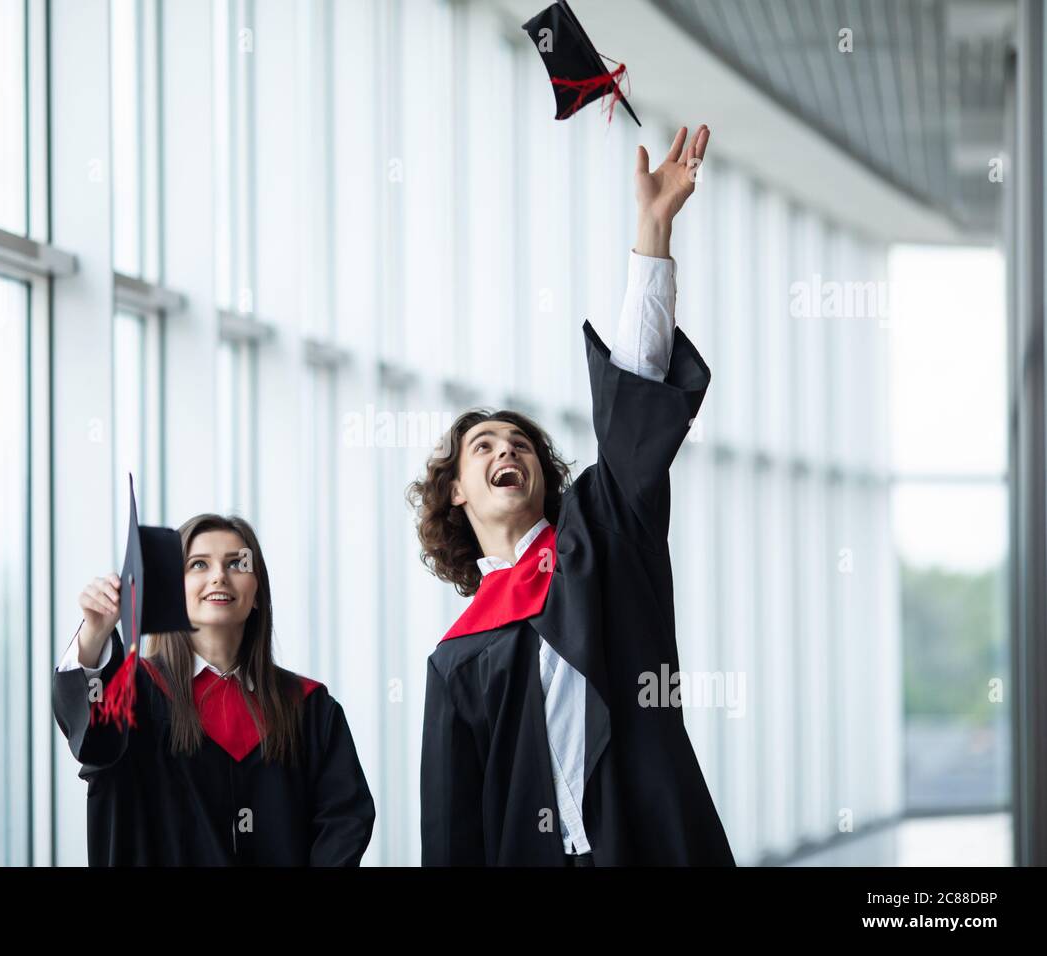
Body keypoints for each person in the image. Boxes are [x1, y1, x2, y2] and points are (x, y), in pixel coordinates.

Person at [411, 125, 735, 865]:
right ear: (456, 494)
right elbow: (453, 833)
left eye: (521, 444)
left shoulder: (601, 543)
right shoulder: (456, 662)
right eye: (483, 448)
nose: (507, 452)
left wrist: (653, 233)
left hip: (653, 843)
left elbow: (634, 406)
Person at [53, 512, 375, 865]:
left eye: (237, 563)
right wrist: (95, 633)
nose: (219, 575)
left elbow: (345, 819)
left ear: (256, 595)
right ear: (173, 591)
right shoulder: (138, 695)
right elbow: (94, 742)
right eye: (199, 565)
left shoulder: (309, 708)